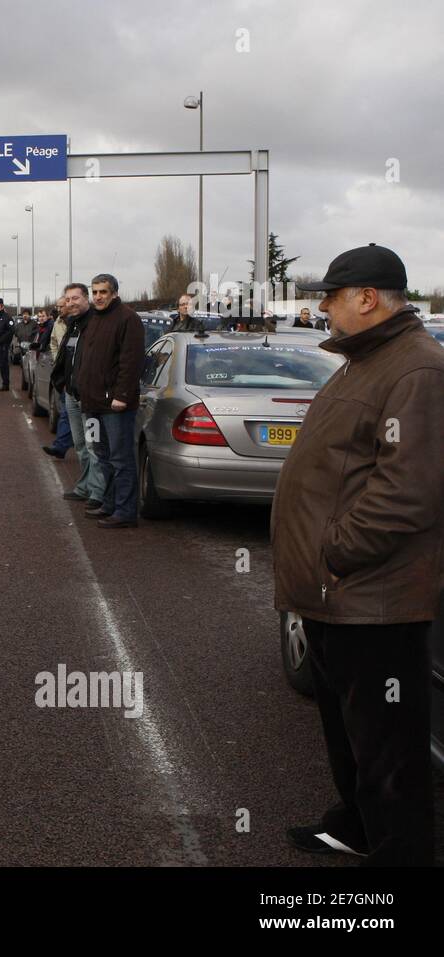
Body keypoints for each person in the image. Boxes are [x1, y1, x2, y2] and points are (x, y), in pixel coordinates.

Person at [274, 243, 444, 866]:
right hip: (335, 594)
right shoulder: (367, 361)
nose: (324, 308)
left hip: (373, 598)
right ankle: (356, 826)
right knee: (350, 732)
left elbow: (410, 492)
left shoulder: (417, 369)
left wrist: (337, 554)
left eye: (332, 297)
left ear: (367, 298)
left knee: (389, 747)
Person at [74, 274, 144, 528]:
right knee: (102, 455)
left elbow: (131, 362)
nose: (98, 297)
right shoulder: (94, 319)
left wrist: (122, 396)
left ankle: (126, 511)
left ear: (114, 293)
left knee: (120, 458)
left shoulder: (128, 319)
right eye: (95, 292)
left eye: (103, 292)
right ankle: (111, 503)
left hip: (115, 407)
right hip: (92, 405)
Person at [51, 284, 105, 505]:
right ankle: (84, 486)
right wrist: (63, 383)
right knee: (81, 444)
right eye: (68, 299)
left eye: (76, 298)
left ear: (86, 299)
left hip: (90, 399)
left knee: (95, 446)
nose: (71, 303)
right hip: (72, 396)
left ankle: (98, 491)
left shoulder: (96, 324)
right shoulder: (72, 325)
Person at [43, 296, 72, 458]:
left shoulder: (81, 322)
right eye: (58, 306)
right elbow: (53, 342)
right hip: (64, 373)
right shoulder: (58, 323)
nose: (59, 309)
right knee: (65, 412)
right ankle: (60, 446)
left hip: (82, 375)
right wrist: (57, 358)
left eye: (61, 306)